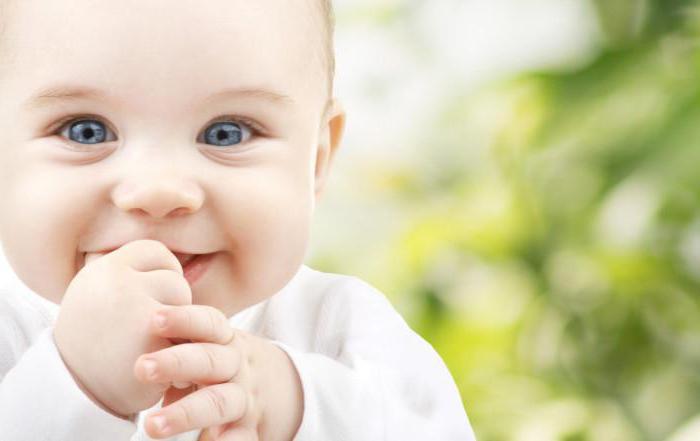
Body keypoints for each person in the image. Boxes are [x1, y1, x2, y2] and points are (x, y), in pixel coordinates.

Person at [0, 0, 477, 440]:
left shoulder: (341, 331)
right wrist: (72, 384)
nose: (160, 191)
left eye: (226, 133)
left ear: (315, 161)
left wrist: (298, 405)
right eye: (86, 131)